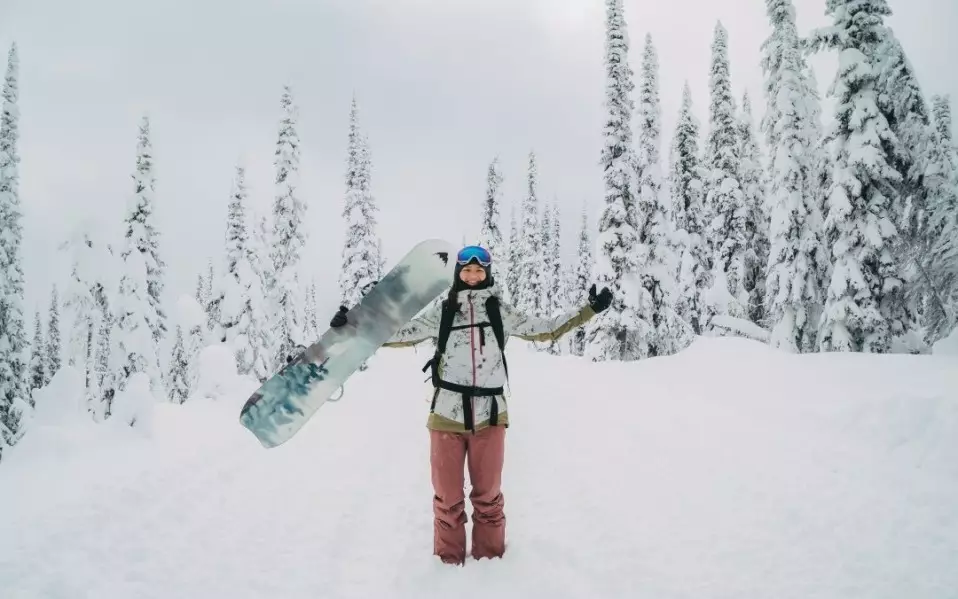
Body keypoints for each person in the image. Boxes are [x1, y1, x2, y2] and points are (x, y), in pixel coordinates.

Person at [328, 245, 612, 565]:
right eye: (467, 270)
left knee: (488, 499)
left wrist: (589, 310)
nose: (473, 275)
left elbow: (544, 329)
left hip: (490, 417)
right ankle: (447, 566)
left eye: (479, 270)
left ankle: (489, 567)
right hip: (446, 416)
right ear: (458, 274)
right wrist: (354, 324)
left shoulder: (500, 311)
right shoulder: (444, 311)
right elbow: (400, 333)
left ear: (487, 273)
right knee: (447, 500)